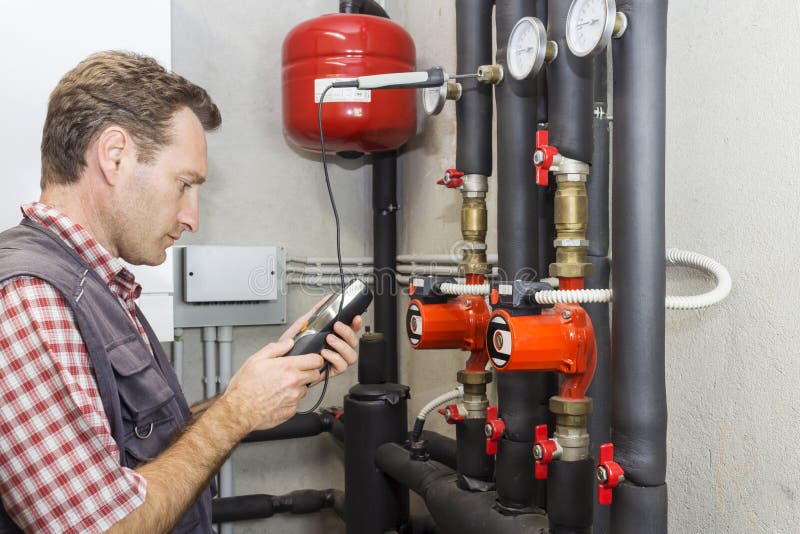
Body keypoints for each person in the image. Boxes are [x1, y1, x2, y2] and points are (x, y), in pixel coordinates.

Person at [0, 51, 362, 533]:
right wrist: (233, 416)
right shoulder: (31, 297)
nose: (192, 217)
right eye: (184, 184)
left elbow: (135, 451)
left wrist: (256, 392)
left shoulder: (92, 284)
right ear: (114, 155)